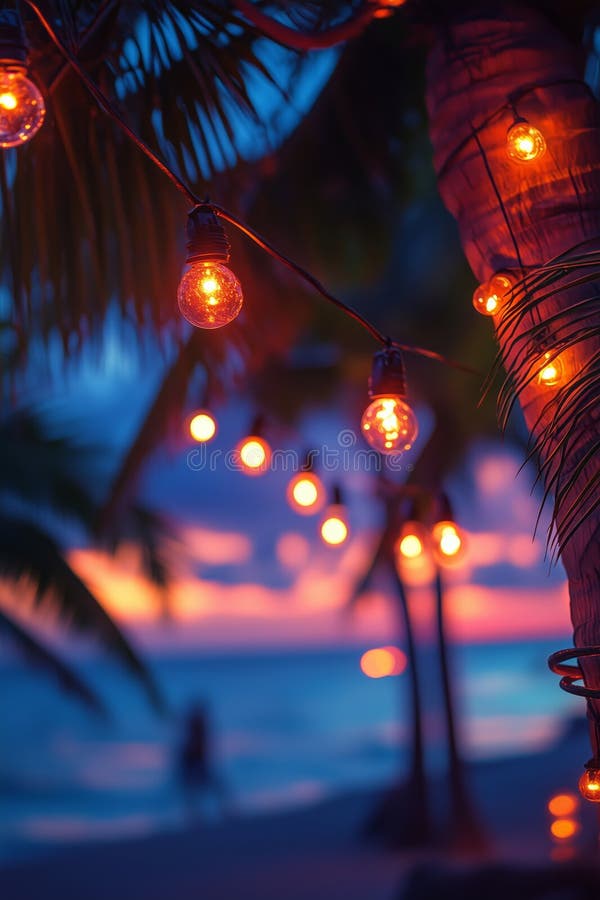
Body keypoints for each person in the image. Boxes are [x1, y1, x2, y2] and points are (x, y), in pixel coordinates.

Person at [178, 702, 227, 820]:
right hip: (194, 764)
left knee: (198, 790)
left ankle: (196, 814)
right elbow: (193, 750)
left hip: (196, 764)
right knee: (200, 789)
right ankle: (195, 815)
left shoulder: (198, 728)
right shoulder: (197, 728)